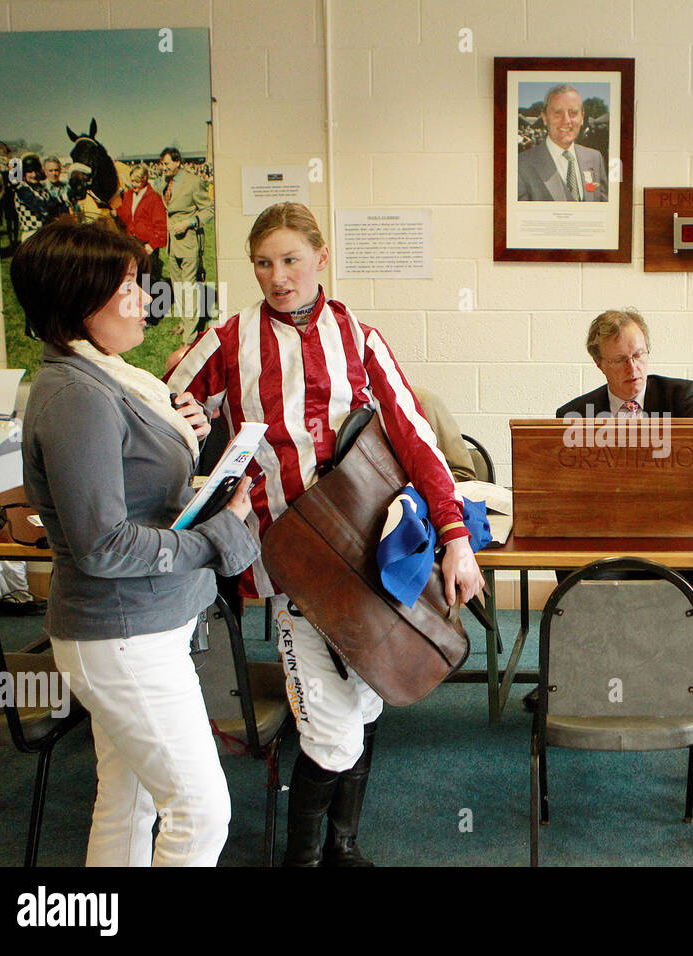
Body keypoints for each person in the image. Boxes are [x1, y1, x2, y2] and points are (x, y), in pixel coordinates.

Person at [166, 202, 484, 866]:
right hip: (292, 567)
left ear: (320, 258)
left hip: (365, 551)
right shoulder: (228, 339)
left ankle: (342, 847)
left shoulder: (361, 339)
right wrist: (186, 411)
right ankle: (304, 861)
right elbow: (160, 402)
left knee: (365, 705)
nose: (277, 277)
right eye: (262, 263)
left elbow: (414, 437)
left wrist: (455, 535)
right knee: (333, 732)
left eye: (290, 260)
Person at [13, 220, 259, 866]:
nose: (145, 300)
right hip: (121, 634)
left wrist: (187, 435)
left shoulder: (107, 380)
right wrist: (215, 537)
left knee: (127, 804)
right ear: (79, 299)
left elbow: (136, 486)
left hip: (138, 627)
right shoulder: (78, 396)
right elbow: (103, 546)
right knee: (201, 816)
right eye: (127, 287)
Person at [555, 309, 693, 620]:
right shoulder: (575, 413)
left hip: (676, 529)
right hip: (606, 532)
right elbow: (571, 490)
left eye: (638, 354)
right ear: (600, 364)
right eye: (620, 360)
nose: (633, 367)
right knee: (579, 587)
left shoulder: (684, 397)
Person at [154, 147, 215, 339]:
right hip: (172, 245)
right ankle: (184, 322)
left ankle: (189, 336)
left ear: (177, 162)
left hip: (189, 242)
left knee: (189, 287)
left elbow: (210, 209)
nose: (164, 168)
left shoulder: (193, 182)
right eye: (162, 164)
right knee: (178, 286)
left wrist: (189, 223)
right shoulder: (163, 183)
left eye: (167, 163)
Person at [517, 84, 608, 202]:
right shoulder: (521, 165)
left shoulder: (595, 158)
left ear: (582, 118)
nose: (566, 121)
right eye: (557, 113)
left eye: (573, 113)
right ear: (544, 117)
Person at [117, 164, 169, 322]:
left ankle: (151, 316)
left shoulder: (154, 198)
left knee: (147, 280)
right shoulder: (128, 195)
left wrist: (152, 245)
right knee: (133, 278)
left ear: (145, 180)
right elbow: (125, 216)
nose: (134, 185)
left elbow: (160, 224)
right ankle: (135, 312)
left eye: (137, 182)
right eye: (132, 181)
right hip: (132, 242)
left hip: (147, 245)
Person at [13, 154, 62, 242]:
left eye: (36, 171)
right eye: (30, 172)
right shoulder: (22, 190)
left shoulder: (42, 188)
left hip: (46, 233)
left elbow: (57, 207)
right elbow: (42, 208)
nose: (34, 175)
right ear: (24, 173)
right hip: (31, 234)